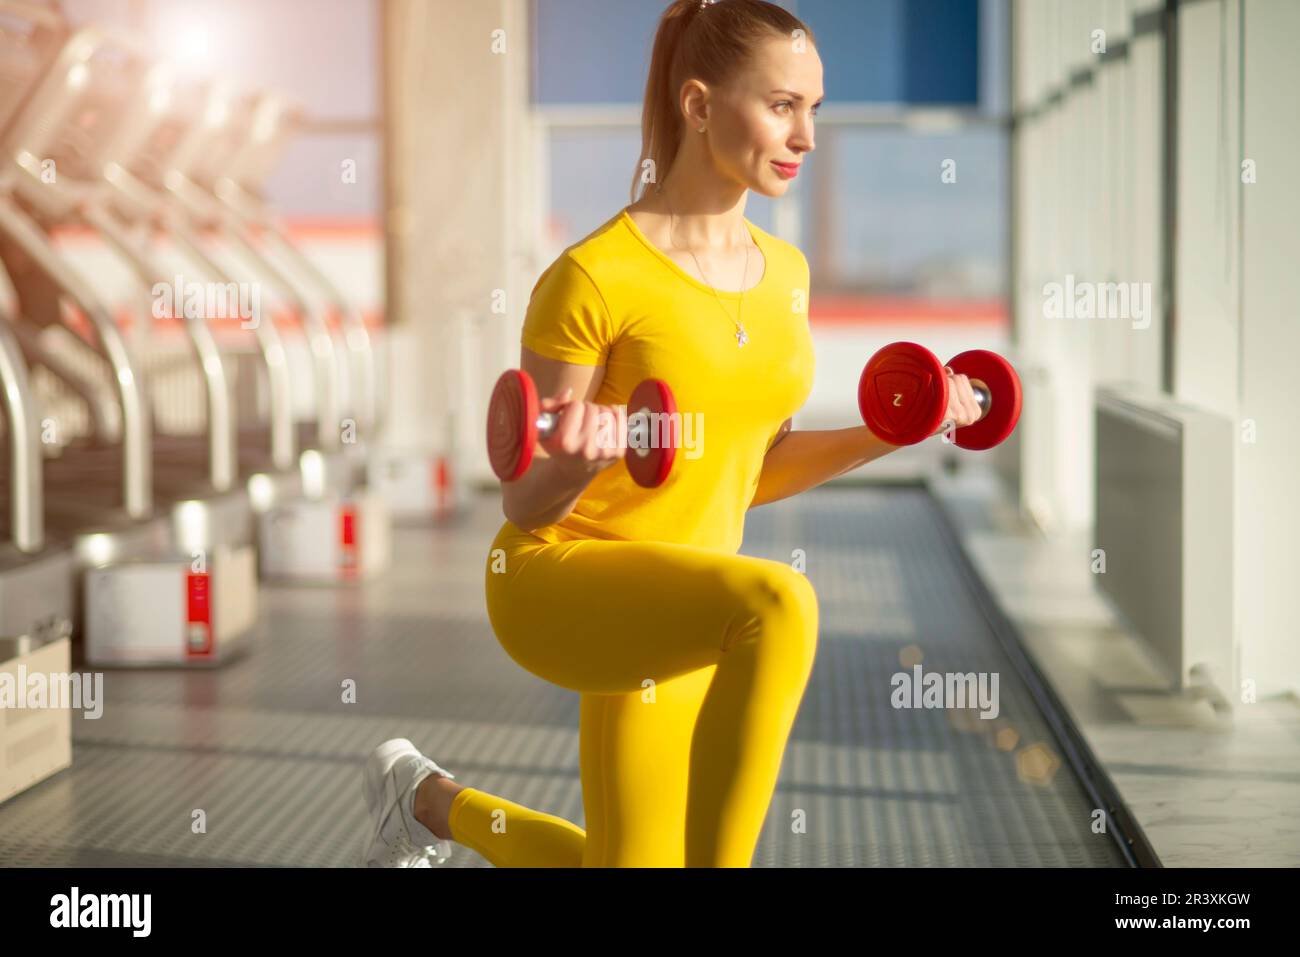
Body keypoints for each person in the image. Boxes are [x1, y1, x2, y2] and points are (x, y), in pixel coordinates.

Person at [362, 0, 982, 868]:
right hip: (559, 576)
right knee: (782, 601)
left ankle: (426, 801)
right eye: (781, 106)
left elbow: (749, 472)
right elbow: (527, 502)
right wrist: (574, 468)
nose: (806, 135)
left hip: (686, 596)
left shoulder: (786, 278)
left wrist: (887, 432)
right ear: (698, 105)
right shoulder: (592, 277)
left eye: (815, 108)